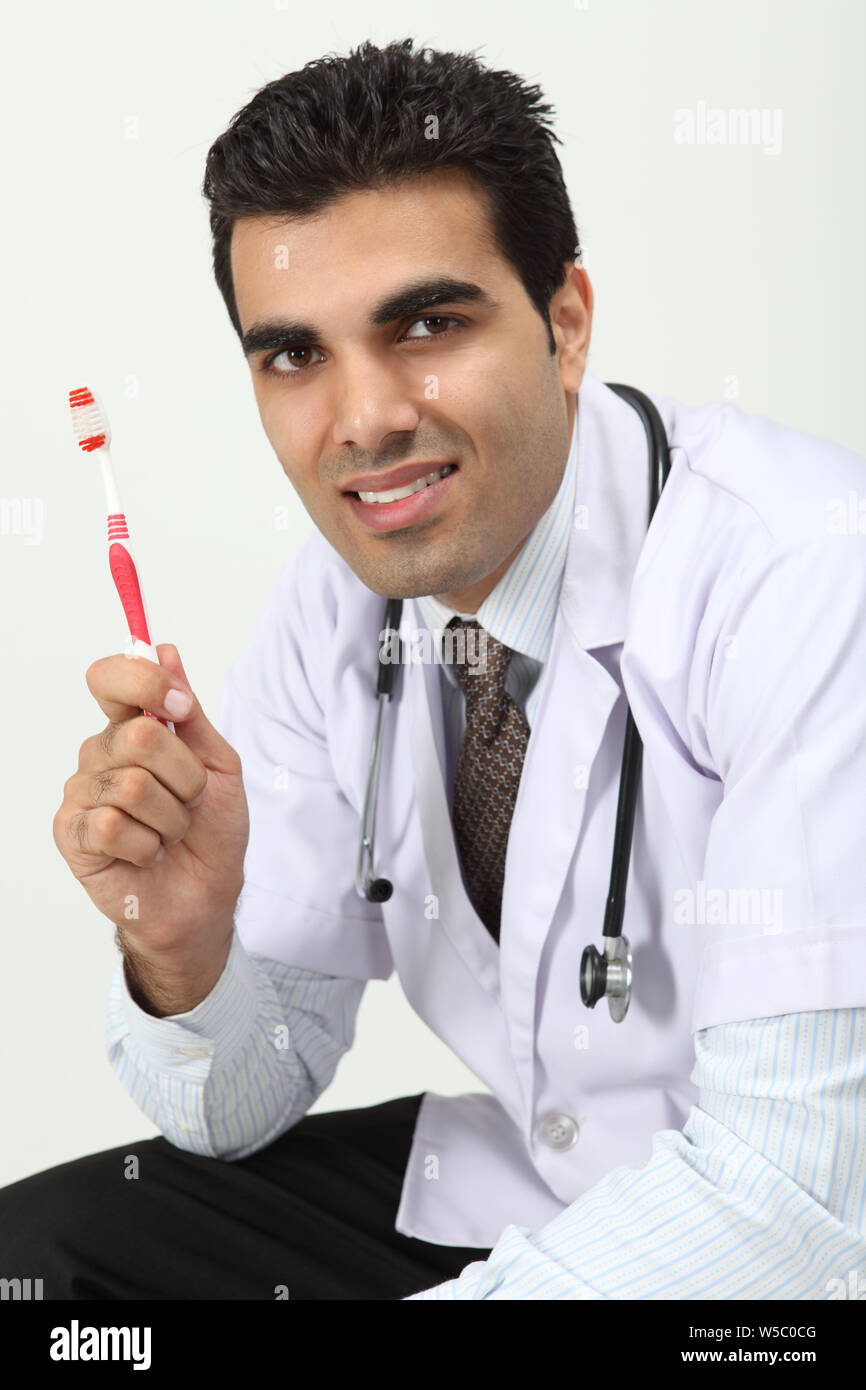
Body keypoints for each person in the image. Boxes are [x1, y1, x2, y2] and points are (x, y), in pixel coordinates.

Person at [2, 36, 864, 1301]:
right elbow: (245, 1100)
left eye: (424, 324)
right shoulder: (337, 604)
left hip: (781, 1272)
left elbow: (796, 1202)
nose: (363, 418)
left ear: (563, 322)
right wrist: (184, 948)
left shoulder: (805, 578)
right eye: (295, 353)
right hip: (543, 1189)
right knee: (38, 1273)